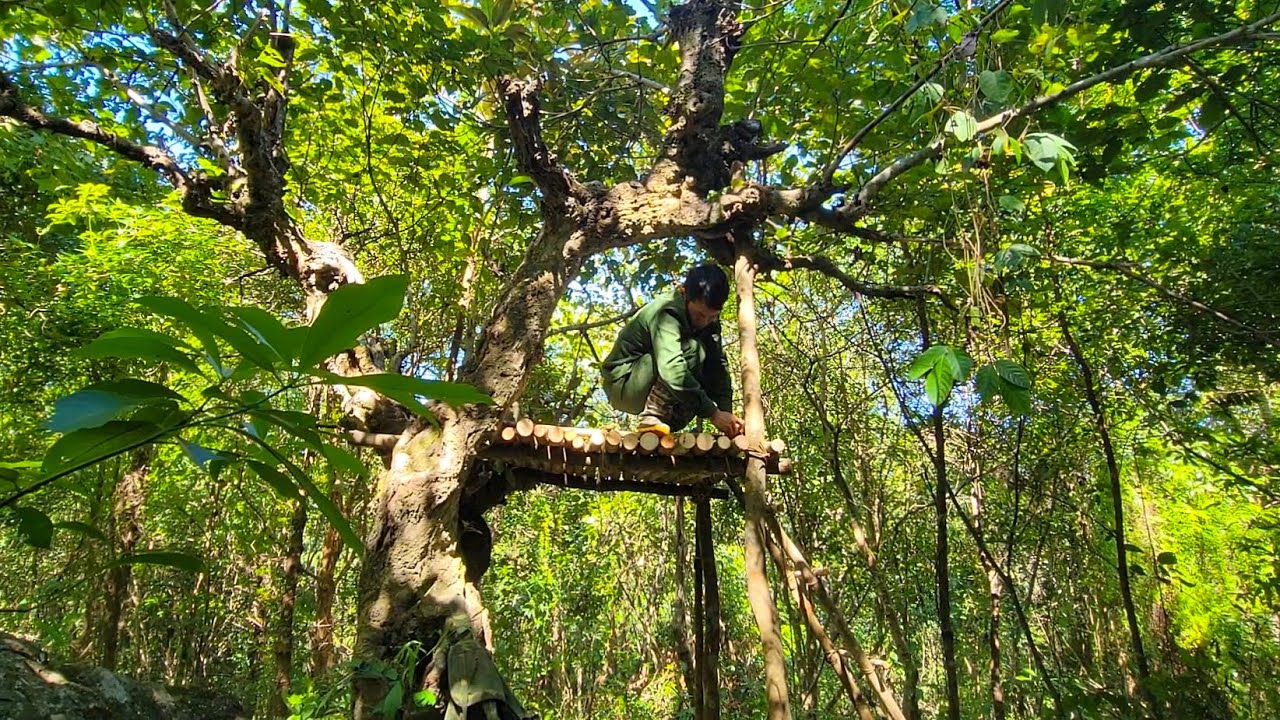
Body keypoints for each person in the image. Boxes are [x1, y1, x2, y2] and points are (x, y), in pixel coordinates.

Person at [601, 264, 745, 437]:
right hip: (624, 386)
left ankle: (664, 420)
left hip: (660, 393)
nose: (704, 322)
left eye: (712, 316)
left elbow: (718, 369)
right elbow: (672, 367)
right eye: (699, 315)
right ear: (684, 293)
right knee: (693, 349)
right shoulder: (666, 312)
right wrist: (713, 413)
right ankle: (652, 416)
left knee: (706, 361)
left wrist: (726, 416)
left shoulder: (710, 322)